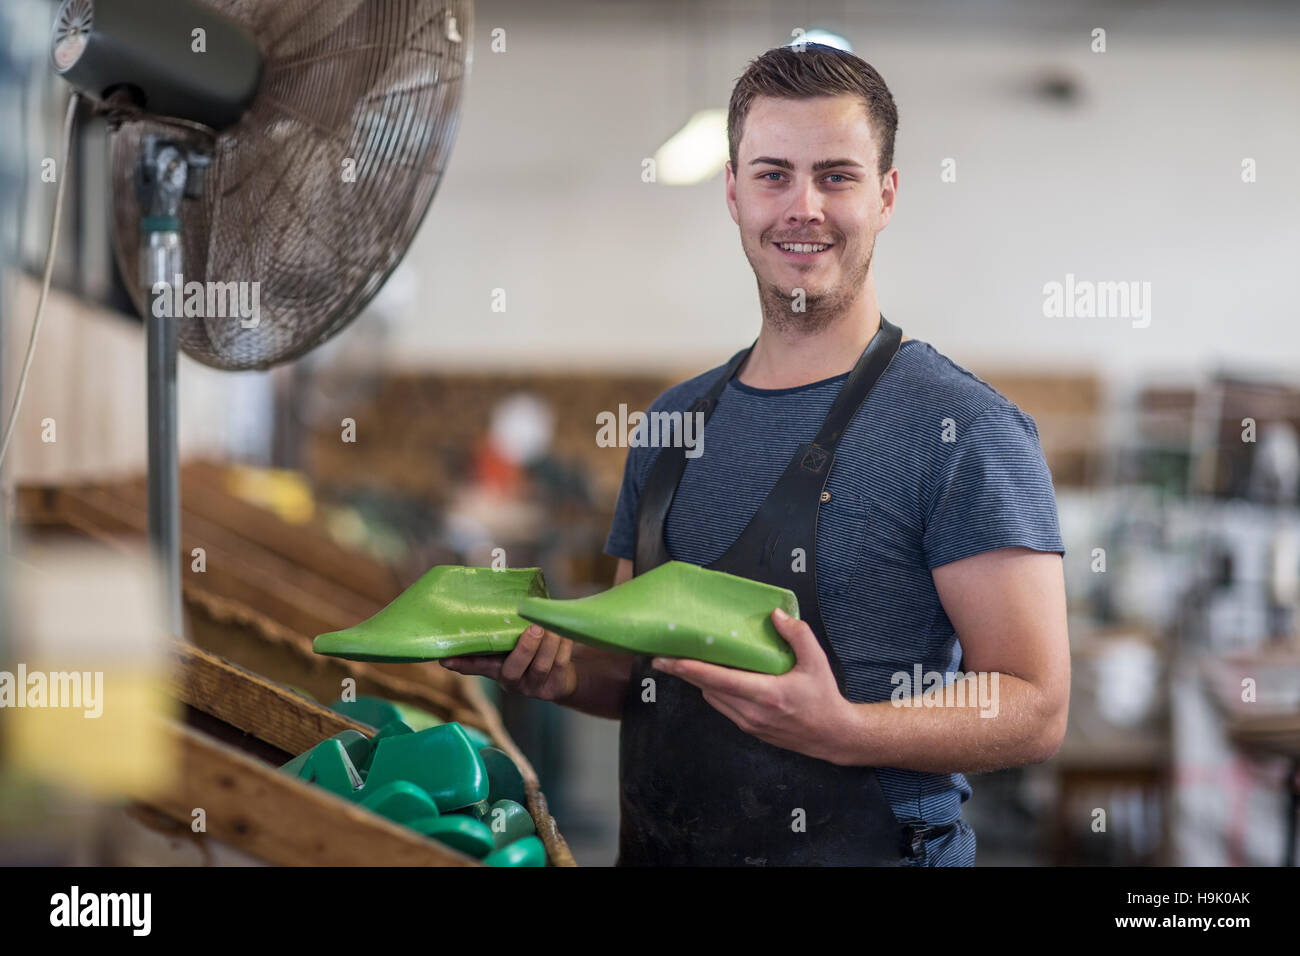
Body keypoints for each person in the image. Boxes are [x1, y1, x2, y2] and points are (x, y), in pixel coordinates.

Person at [441, 42, 1069, 866]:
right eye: (774, 175)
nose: (803, 207)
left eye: (836, 176)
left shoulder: (963, 429)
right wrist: (556, 675)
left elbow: (1035, 704)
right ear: (734, 194)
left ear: (885, 195)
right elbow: (643, 673)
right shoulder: (671, 424)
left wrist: (848, 730)